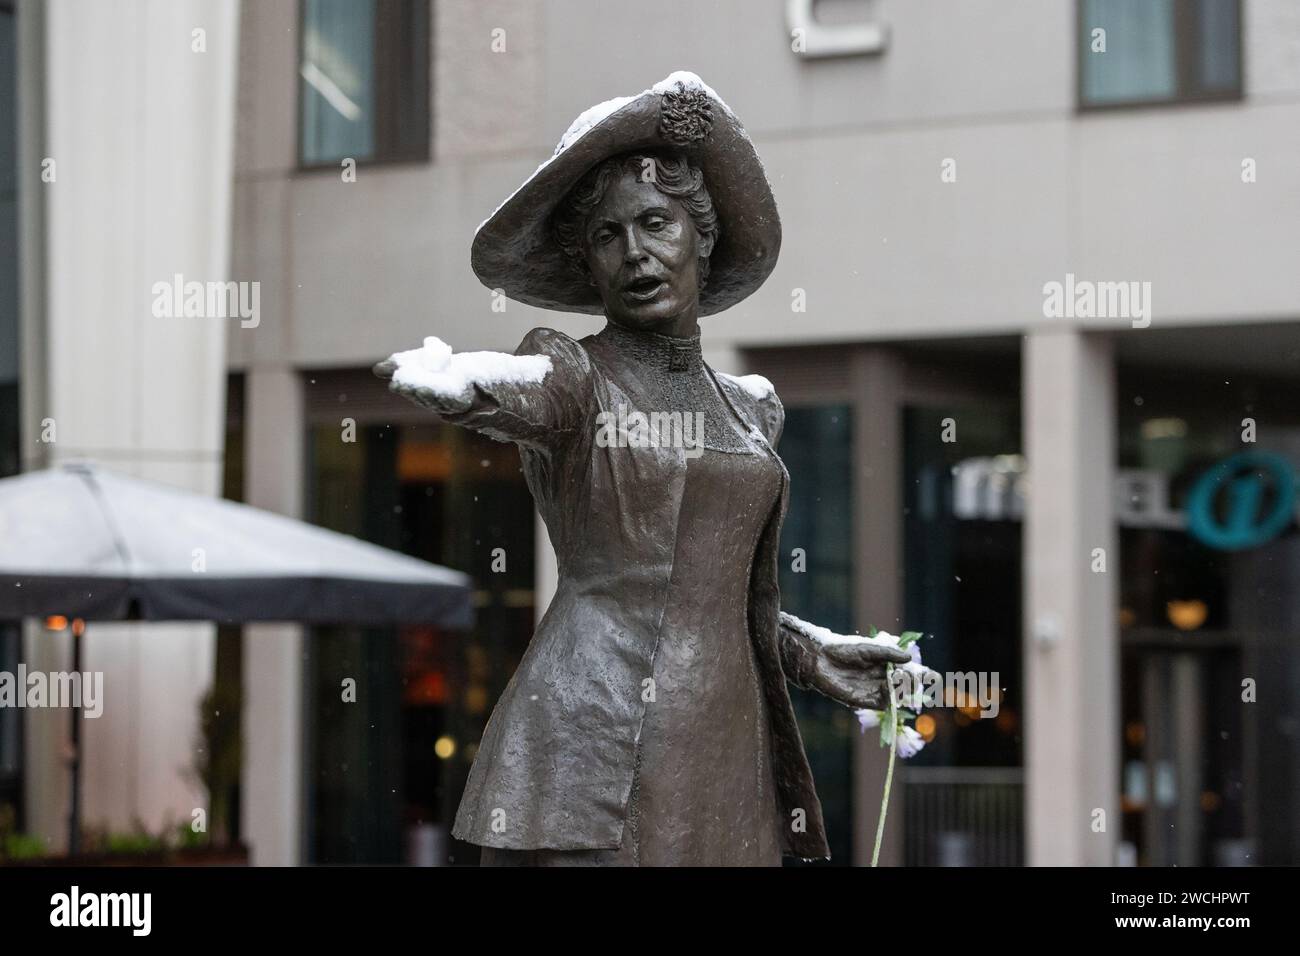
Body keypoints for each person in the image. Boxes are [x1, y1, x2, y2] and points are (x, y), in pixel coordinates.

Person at [375, 72, 908, 865]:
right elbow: (527, 394)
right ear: (588, 266)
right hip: (591, 738)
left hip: (726, 751)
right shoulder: (573, 376)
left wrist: (811, 655)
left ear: (703, 234)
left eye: (656, 223)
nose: (635, 254)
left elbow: (715, 593)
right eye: (606, 236)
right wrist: (468, 388)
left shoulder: (748, 407)